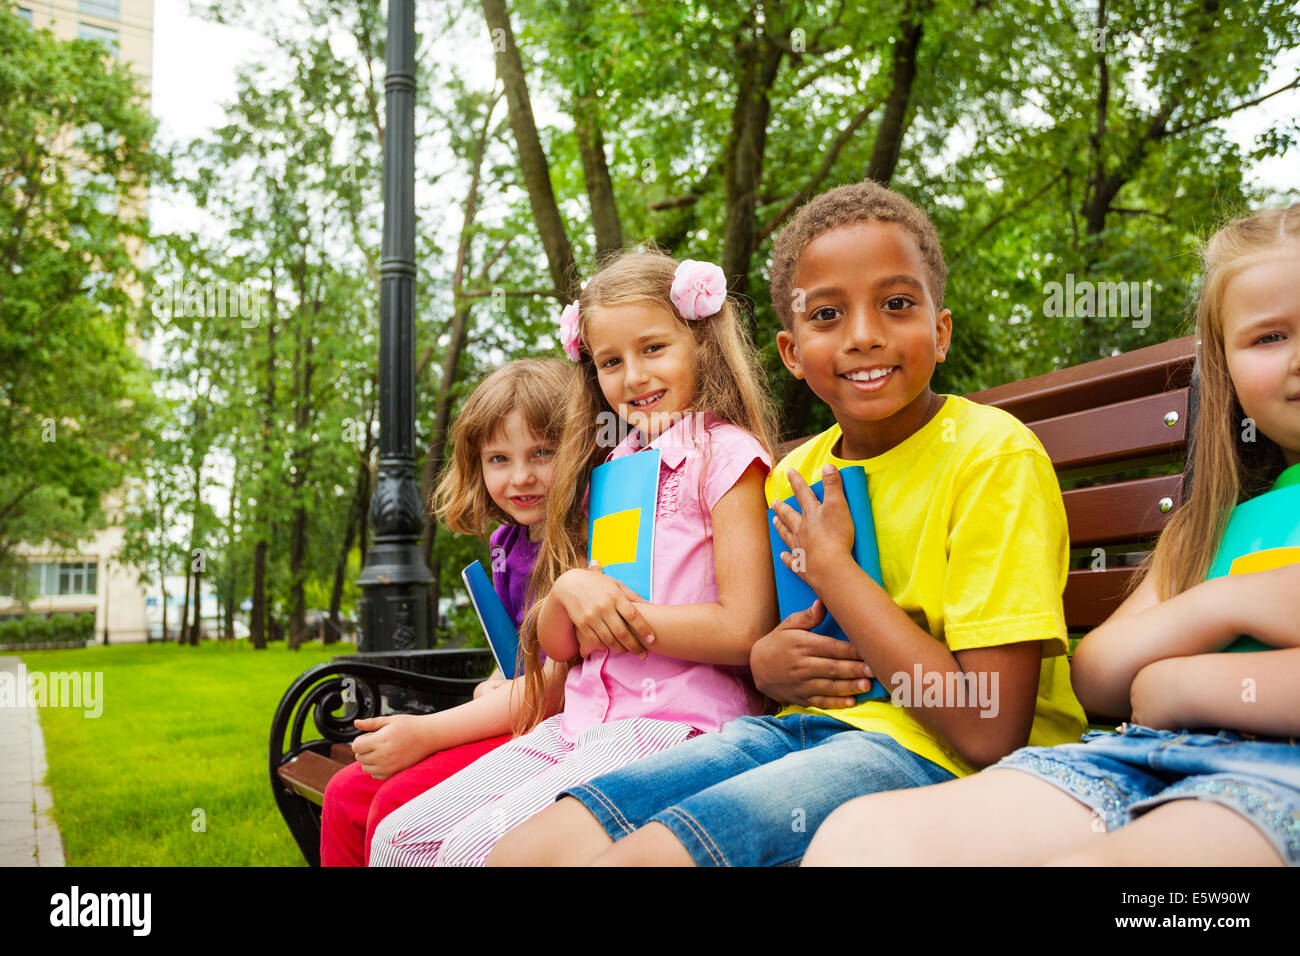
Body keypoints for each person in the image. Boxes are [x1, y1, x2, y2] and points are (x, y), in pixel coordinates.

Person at [488, 179, 1087, 867]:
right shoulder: (796, 472)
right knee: (527, 853)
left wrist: (835, 569)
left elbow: (988, 727)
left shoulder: (992, 456)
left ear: (941, 331)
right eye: (827, 314)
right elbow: (775, 643)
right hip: (799, 733)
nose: (864, 336)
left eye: (896, 304)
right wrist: (770, 665)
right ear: (792, 353)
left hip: (935, 757)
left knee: (639, 860)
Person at [803, 204, 1300, 867]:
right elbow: (1095, 675)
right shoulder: (1208, 526)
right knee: (857, 840)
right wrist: (1227, 603)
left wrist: (1175, 685)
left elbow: (1146, 687)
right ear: (1226, 368)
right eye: (1269, 337)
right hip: (1138, 760)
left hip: (1268, 780)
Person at [367, 249, 781, 866]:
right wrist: (566, 596)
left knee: (473, 853)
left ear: (701, 341)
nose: (633, 376)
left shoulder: (725, 457)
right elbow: (567, 648)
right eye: (612, 361)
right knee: (402, 840)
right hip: (583, 720)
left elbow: (748, 630)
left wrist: (610, 615)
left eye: (654, 348)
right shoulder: (613, 470)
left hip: (676, 724)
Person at [319, 357, 570, 867]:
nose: (521, 477)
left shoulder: (584, 541)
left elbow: (557, 688)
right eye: (498, 458)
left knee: (396, 803)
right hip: (516, 712)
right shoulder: (508, 543)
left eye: (542, 452)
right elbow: (515, 653)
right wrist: (494, 679)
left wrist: (427, 732)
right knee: (345, 794)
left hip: (558, 729)